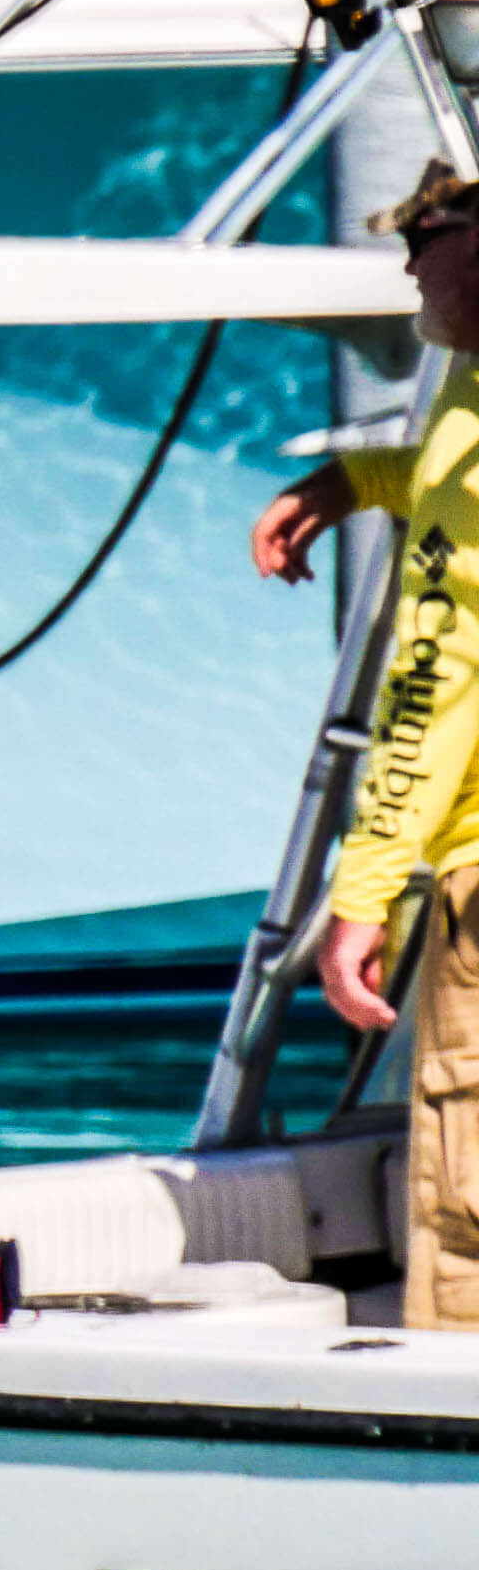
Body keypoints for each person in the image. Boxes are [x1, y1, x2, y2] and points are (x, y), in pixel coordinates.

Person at [256, 165, 479, 1321]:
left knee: (462, 1232)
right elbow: (445, 487)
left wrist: (360, 897)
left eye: (418, 233)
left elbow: (438, 683)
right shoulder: (465, 397)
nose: (402, 264)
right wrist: (354, 481)